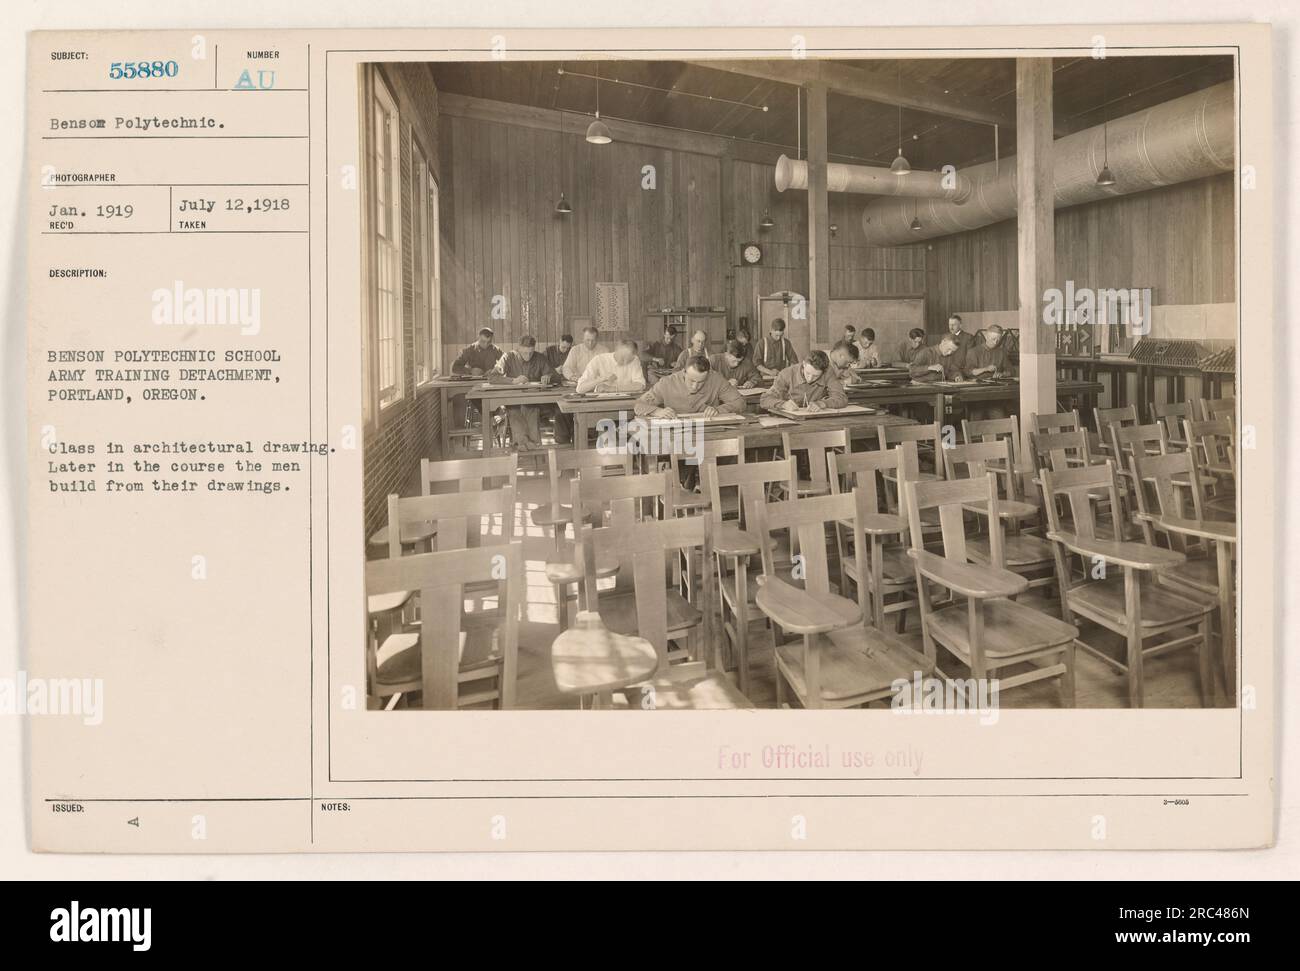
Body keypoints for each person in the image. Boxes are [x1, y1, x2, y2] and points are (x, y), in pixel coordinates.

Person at [488, 336, 558, 450]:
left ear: (534, 349)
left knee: (531, 409)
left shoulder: (540, 357)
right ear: (518, 348)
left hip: (534, 402)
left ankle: (527, 445)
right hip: (512, 402)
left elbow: (556, 376)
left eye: (531, 352)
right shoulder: (508, 357)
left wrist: (548, 376)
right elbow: (492, 377)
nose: (528, 356)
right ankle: (528, 444)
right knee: (515, 410)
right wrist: (513, 381)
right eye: (525, 353)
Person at [633, 355, 745, 419]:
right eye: (691, 380)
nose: (695, 386)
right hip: (677, 435)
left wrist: (718, 410)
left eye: (701, 382)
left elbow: (740, 402)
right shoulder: (666, 383)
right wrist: (657, 411)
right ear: (684, 372)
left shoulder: (716, 379)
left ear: (708, 374)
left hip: (709, 432)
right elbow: (639, 405)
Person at [450, 327, 505, 428]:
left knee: (494, 397)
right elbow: (455, 367)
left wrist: (496, 370)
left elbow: (507, 363)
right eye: (483, 341)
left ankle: (494, 418)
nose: (485, 345)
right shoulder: (469, 350)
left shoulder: (495, 349)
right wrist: (470, 371)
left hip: (490, 386)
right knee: (478, 396)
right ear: (478, 337)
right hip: (474, 387)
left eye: (488, 342)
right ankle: (494, 418)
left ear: (491, 340)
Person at [760, 350, 848, 413]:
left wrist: (822, 404)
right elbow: (765, 399)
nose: (810, 379)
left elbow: (841, 398)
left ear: (824, 371)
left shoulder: (828, 372)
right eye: (808, 373)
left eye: (816, 376)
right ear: (804, 364)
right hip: (790, 422)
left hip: (816, 420)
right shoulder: (786, 374)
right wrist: (783, 404)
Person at [575, 339, 647, 394]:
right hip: (602, 405)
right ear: (616, 350)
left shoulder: (634, 360)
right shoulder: (599, 359)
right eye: (622, 358)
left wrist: (612, 388)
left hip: (623, 404)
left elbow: (640, 385)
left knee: (623, 414)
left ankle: (622, 414)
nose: (624, 363)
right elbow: (580, 389)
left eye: (628, 360)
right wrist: (602, 379)